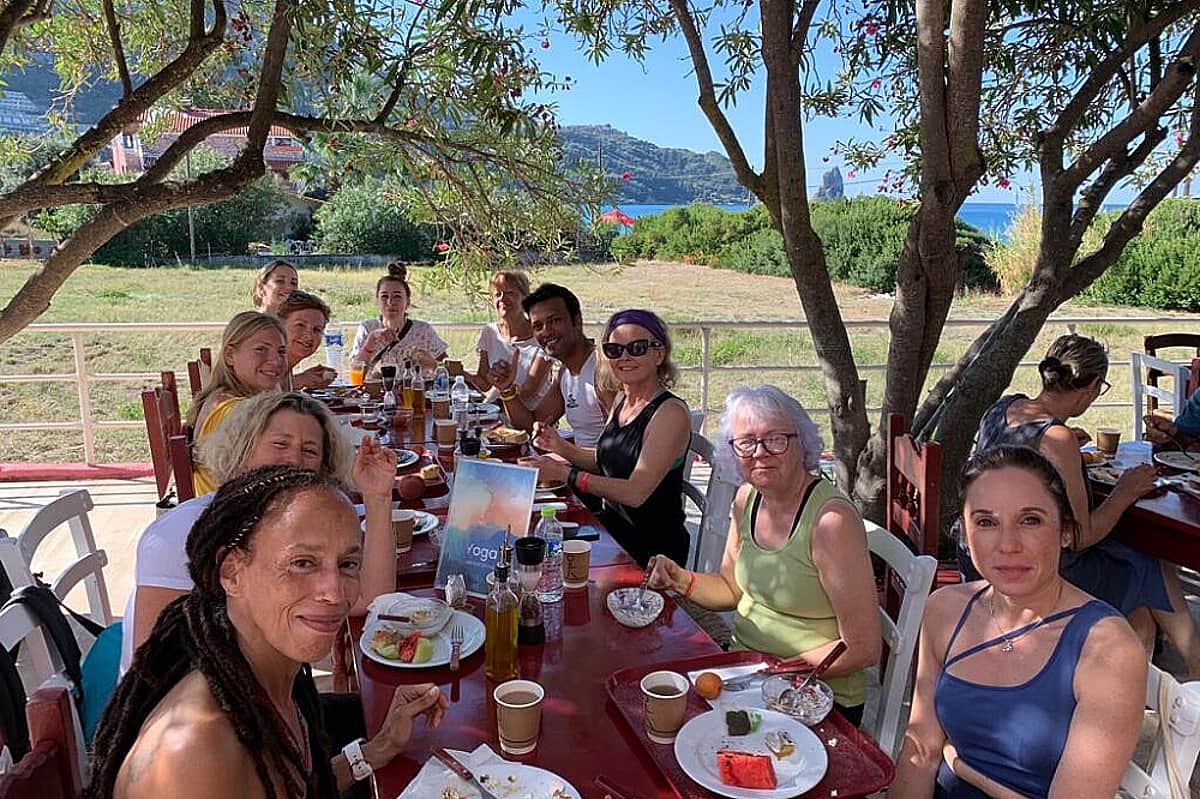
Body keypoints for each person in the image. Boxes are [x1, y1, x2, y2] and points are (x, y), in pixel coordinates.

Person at [90, 466, 448, 799]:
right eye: (302, 563)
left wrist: (378, 748)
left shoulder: (262, 676)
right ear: (231, 573)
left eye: (347, 564)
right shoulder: (195, 754)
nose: (335, 592)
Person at [891, 446, 1146, 799]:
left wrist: (965, 769)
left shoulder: (1107, 650)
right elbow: (921, 752)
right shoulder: (945, 610)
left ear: (1066, 531)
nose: (1008, 545)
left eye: (1030, 520)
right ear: (964, 534)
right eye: (986, 522)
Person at [963, 333, 1200, 674]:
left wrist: (1067, 452)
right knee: (1148, 565)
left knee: (1140, 611)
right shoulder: (1055, 438)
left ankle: (1142, 681)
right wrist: (1126, 492)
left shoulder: (1004, 406)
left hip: (980, 553)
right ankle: (1192, 666)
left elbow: (1018, 460)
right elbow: (1081, 535)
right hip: (1035, 568)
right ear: (1090, 390)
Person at [645, 385, 880, 723]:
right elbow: (730, 589)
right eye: (746, 442)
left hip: (815, 696)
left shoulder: (831, 522)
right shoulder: (747, 498)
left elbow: (863, 648)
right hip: (747, 673)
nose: (760, 452)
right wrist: (678, 579)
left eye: (776, 439)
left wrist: (773, 673)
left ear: (803, 444)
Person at [123, 391, 397, 674]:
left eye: (309, 450)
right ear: (241, 450)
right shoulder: (179, 533)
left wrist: (377, 498)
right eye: (280, 444)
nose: (294, 460)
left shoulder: (293, 524)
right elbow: (150, 670)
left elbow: (370, 599)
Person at [524, 310, 692, 566]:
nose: (624, 356)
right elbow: (608, 460)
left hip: (649, 553)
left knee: (547, 564)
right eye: (614, 350)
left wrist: (565, 474)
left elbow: (635, 492)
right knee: (531, 549)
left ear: (659, 353)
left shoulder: (670, 413)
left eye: (637, 348)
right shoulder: (622, 399)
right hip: (608, 533)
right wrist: (559, 447)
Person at [489, 283, 615, 449]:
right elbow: (531, 424)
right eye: (538, 326)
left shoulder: (602, 370)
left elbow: (619, 452)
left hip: (595, 472)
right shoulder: (565, 373)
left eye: (554, 321)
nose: (546, 332)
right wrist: (506, 390)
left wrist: (564, 458)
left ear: (576, 321)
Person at [187, 311, 288, 493]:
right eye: (261, 349)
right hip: (230, 514)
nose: (275, 360)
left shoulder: (225, 396)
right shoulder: (233, 411)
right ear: (230, 355)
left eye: (281, 352)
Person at [468, 270, 554, 409]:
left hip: (533, 419)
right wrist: (460, 373)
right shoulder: (490, 332)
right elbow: (484, 384)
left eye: (510, 293)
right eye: (497, 294)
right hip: (497, 414)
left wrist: (503, 388)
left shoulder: (542, 336)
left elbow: (528, 392)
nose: (502, 299)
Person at [350, 263, 447, 374]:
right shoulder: (367, 328)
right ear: (377, 301)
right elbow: (355, 373)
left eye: (397, 296)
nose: (390, 302)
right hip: (376, 390)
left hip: (415, 390)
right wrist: (371, 341)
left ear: (408, 302)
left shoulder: (422, 330)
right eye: (384, 296)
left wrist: (432, 364)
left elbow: (448, 368)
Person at [278, 289, 337, 390]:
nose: (309, 336)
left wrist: (306, 378)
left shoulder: (284, 367)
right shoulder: (265, 363)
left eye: (317, 330)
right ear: (280, 325)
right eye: (300, 325)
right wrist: (300, 380)